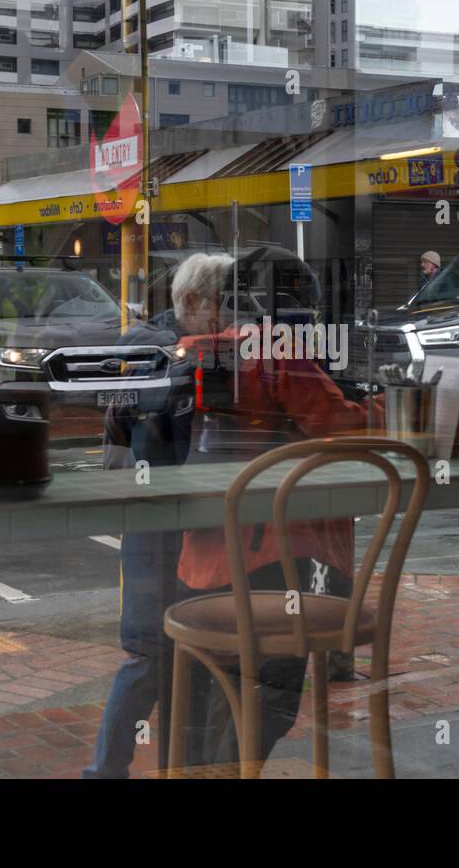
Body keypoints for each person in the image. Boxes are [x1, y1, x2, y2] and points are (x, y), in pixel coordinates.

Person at [171, 252, 379, 766]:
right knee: (272, 694)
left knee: (221, 692)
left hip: (201, 571)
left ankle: (214, 771)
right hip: (276, 565)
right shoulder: (274, 355)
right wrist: (391, 407)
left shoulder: (187, 355)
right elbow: (342, 427)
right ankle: (231, 773)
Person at [83, 305, 195, 779]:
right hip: (157, 526)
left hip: (147, 525)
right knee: (154, 655)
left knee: (153, 655)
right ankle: (107, 771)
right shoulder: (169, 360)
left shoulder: (146, 351)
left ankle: (110, 771)